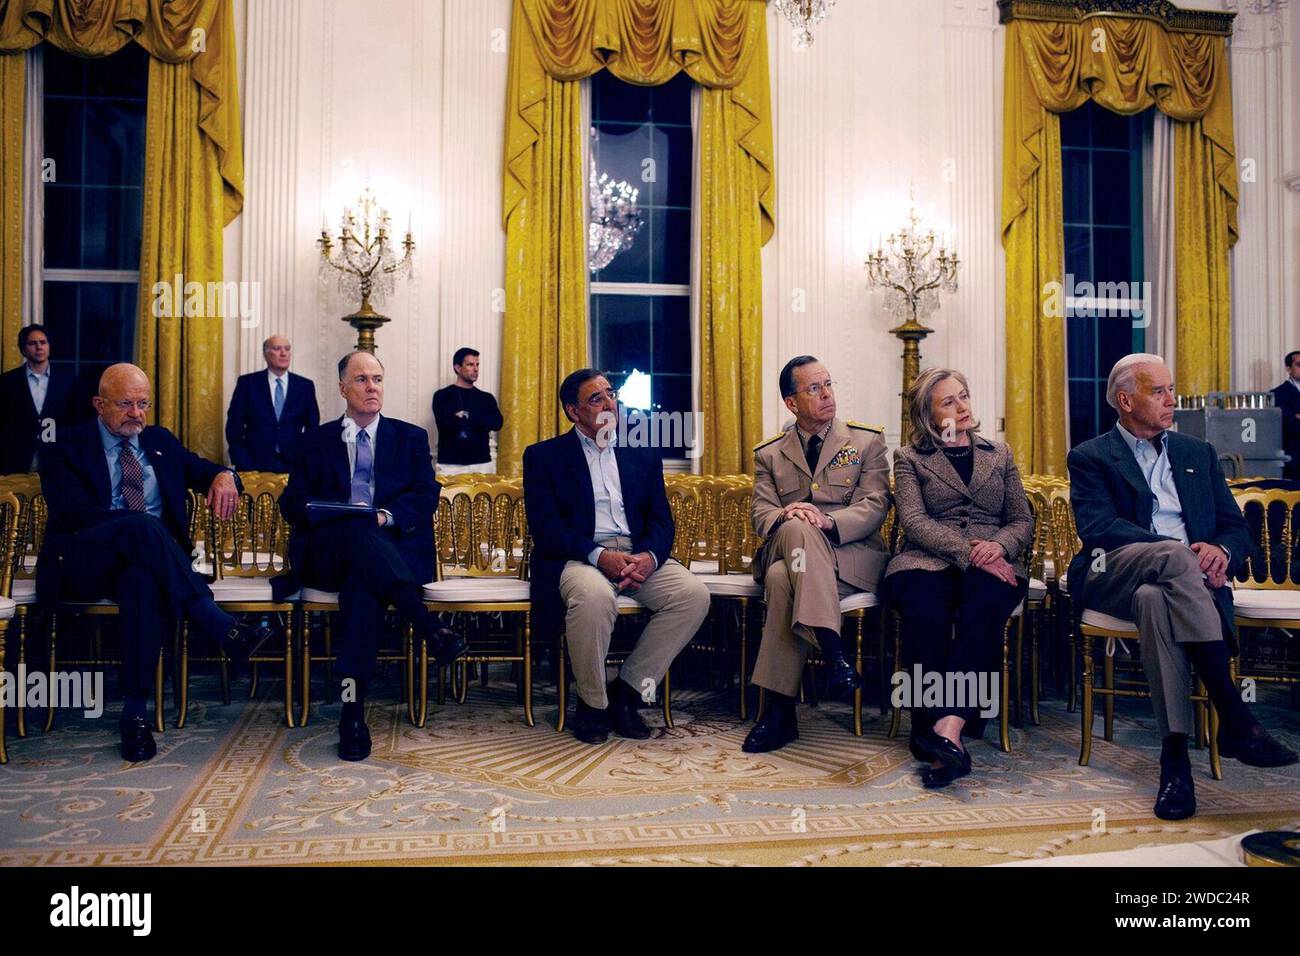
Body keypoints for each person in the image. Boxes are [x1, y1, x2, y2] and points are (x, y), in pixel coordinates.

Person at [1068, 353, 1297, 821]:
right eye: (1159, 392)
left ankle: (1174, 761)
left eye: (1171, 389)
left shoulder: (1198, 453)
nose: (1172, 400)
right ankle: (1233, 715)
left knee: (1155, 599)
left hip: (1173, 585)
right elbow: (1099, 528)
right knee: (1172, 555)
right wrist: (1185, 552)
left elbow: (1236, 529)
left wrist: (1222, 552)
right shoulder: (1091, 456)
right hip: (1110, 570)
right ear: (1126, 400)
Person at [36, 364, 271, 762]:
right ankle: (219, 625)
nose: (136, 413)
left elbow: (204, 468)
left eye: (143, 403)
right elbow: (74, 515)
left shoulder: (160, 441)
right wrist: (137, 526)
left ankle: (135, 714)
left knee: (142, 581)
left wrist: (224, 476)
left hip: (148, 565)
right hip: (84, 560)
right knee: (143, 527)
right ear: (99, 404)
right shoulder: (66, 445)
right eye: (125, 403)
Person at [276, 351, 465, 762]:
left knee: (362, 586)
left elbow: (424, 495)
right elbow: (292, 502)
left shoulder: (410, 437)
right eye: (361, 379)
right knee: (352, 528)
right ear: (342, 387)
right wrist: (323, 513)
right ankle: (428, 625)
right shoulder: (315, 441)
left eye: (377, 378)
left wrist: (385, 516)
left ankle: (352, 712)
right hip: (327, 555)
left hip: (386, 553)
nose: (371, 387)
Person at [522, 368, 710, 744]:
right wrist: (597, 555)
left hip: (637, 554)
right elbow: (547, 528)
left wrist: (650, 558)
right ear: (573, 412)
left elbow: (661, 520)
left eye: (611, 394)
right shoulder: (545, 457)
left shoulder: (642, 452)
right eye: (597, 399)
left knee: (693, 595)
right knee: (594, 597)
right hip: (578, 557)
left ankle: (626, 693)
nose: (610, 404)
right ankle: (592, 704)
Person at [883, 368, 1033, 787]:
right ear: (927, 413)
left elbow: (1021, 519)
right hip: (926, 558)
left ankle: (949, 728)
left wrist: (998, 548)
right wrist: (969, 552)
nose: (961, 406)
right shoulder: (910, 458)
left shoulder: (999, 453)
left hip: (996, 558)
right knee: (926, 612)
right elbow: (913, 520)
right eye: (948, 401)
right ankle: (925, 725)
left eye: (964, 396)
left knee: (980, 611)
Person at [742, 356, 892, 754]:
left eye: (828, 384)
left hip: (849, 556)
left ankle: (779, 711)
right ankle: (833, 650)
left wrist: (827, 522)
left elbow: (876, 504)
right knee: (794, 525)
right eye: (813, 388)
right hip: (792, 548)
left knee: (779, 577)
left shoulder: (866, 441)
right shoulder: (769, 454)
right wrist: (792, 513)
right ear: (791, 403)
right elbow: (761, 513)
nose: (826, 394)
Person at [225, 335, 320, 473]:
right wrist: (242, 461)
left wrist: (306, 460)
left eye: (287, 349)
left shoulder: (305, 386)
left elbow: (313, 429)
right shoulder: (248, 383)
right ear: (265, 354)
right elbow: (234, 428)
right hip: (253, 465)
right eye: (277, 348)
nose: (283, 353)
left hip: (295, 465)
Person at [0, 324, 78, 474]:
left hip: (58, 457)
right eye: (32, 343)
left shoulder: (68, 381)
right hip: (15, 459)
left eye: (43, 342)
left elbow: (74, 420)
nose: (39, 347)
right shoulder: (6, 382)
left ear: (49, 347)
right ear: (23, 349)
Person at [431, 347, 503, 476]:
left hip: (482, 464)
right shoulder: (442, 396)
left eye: (477, 365)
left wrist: (466, 415)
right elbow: (445, 424)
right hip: (450, 465)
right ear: (458, 368)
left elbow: (497, 423)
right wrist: (480, 421)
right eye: (470, 364)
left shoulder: (486, 398)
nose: (476, 369)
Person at [1270, 350, 1300, 481]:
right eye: (1299, 365)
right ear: (1288, 368)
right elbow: (1288, 425)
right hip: (1294, 457)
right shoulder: (1278, 394)